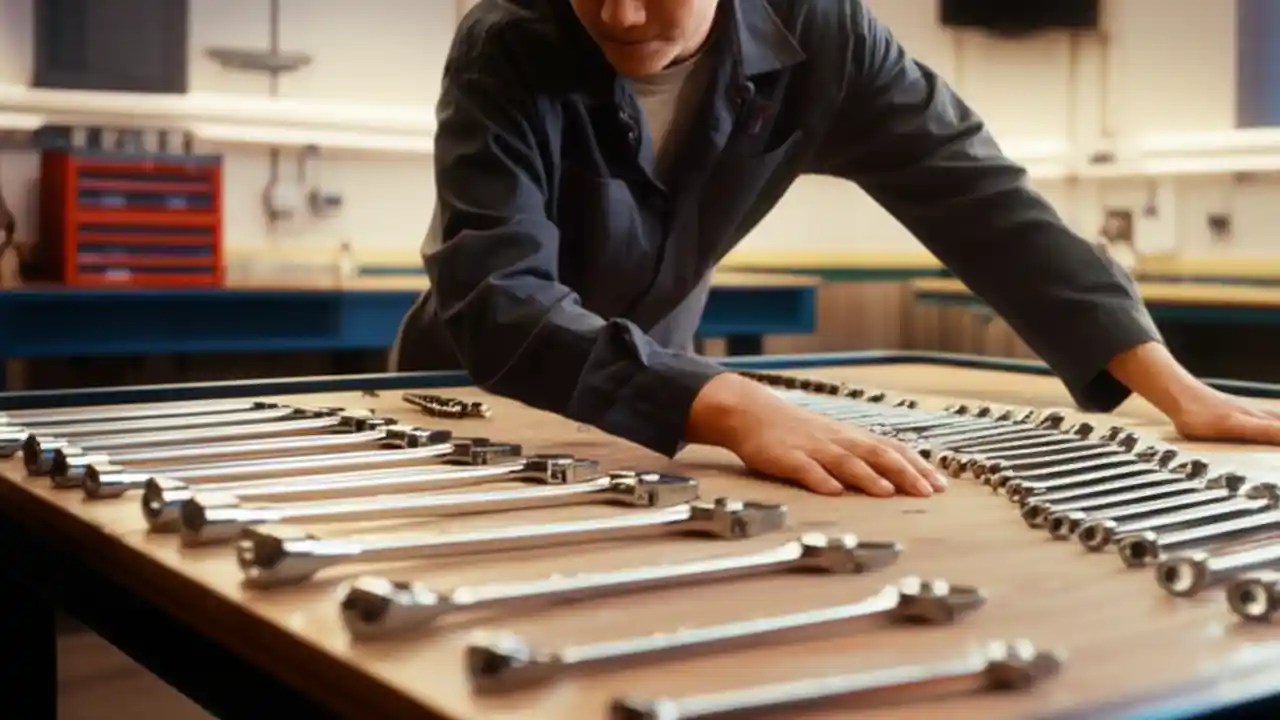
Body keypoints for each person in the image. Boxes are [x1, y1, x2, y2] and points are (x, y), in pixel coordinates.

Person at [393, 0, 1280, 499]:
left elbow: (981, 198)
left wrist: (1175, 388)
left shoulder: (824, 36)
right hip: (466, 399)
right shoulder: (505, 42)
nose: (619, 14)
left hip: (662, 421)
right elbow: (499, 297)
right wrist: (728, 405)